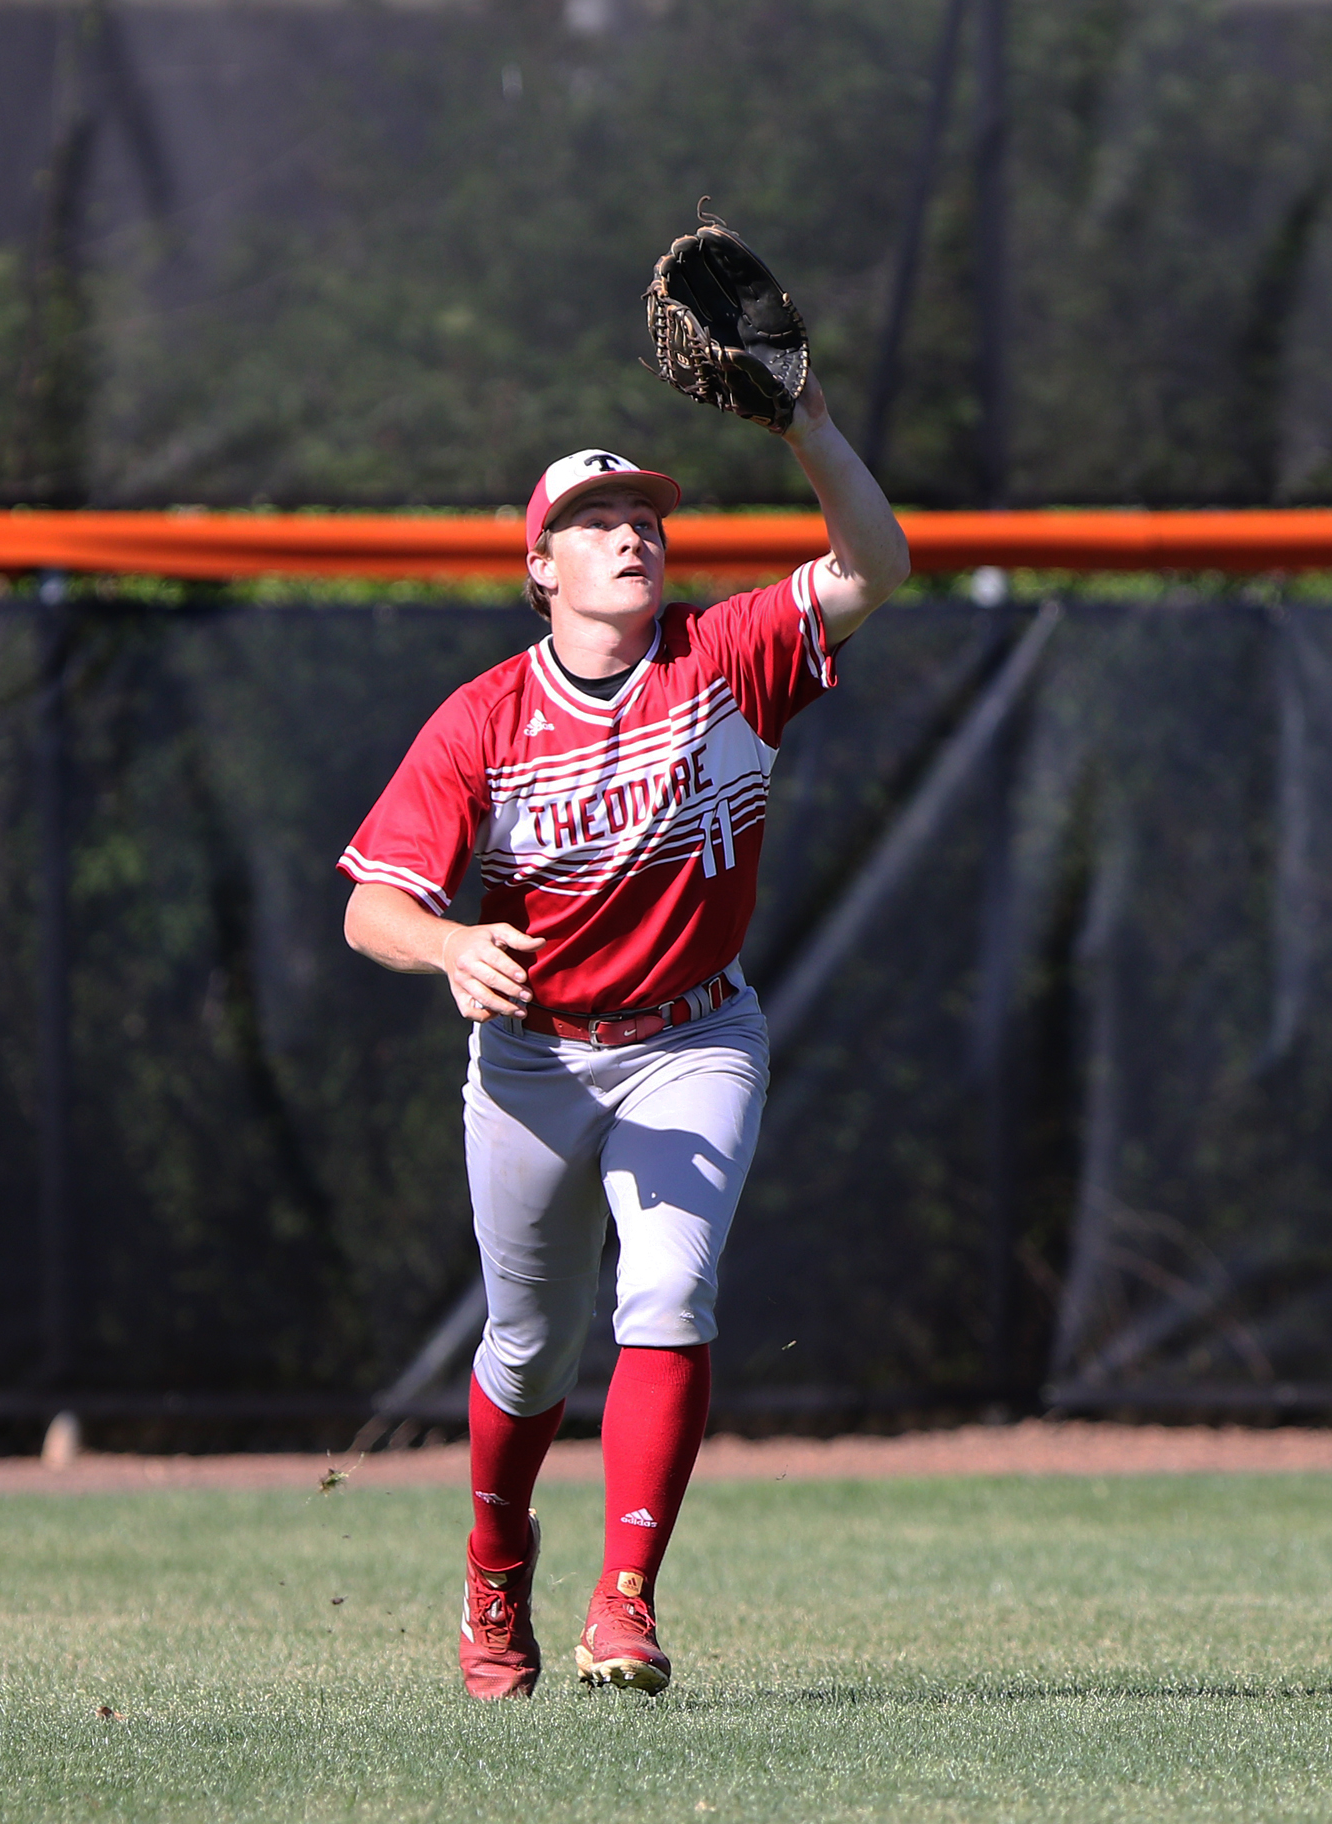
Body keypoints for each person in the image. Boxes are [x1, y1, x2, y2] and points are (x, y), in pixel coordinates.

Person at [339, 372, 909, 1698]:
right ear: (540, 565)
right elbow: (374, 907)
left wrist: (810, 431)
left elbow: (875, 564)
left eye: (644, 513)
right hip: (536, 1056)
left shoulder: (727, 655)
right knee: (530, 1347)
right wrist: (448, 945)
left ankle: (626, 1602)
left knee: (666, 1291)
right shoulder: (484, 718)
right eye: (596, 518)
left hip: (696, 1038)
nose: (631, 533)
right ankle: (496, 1569)